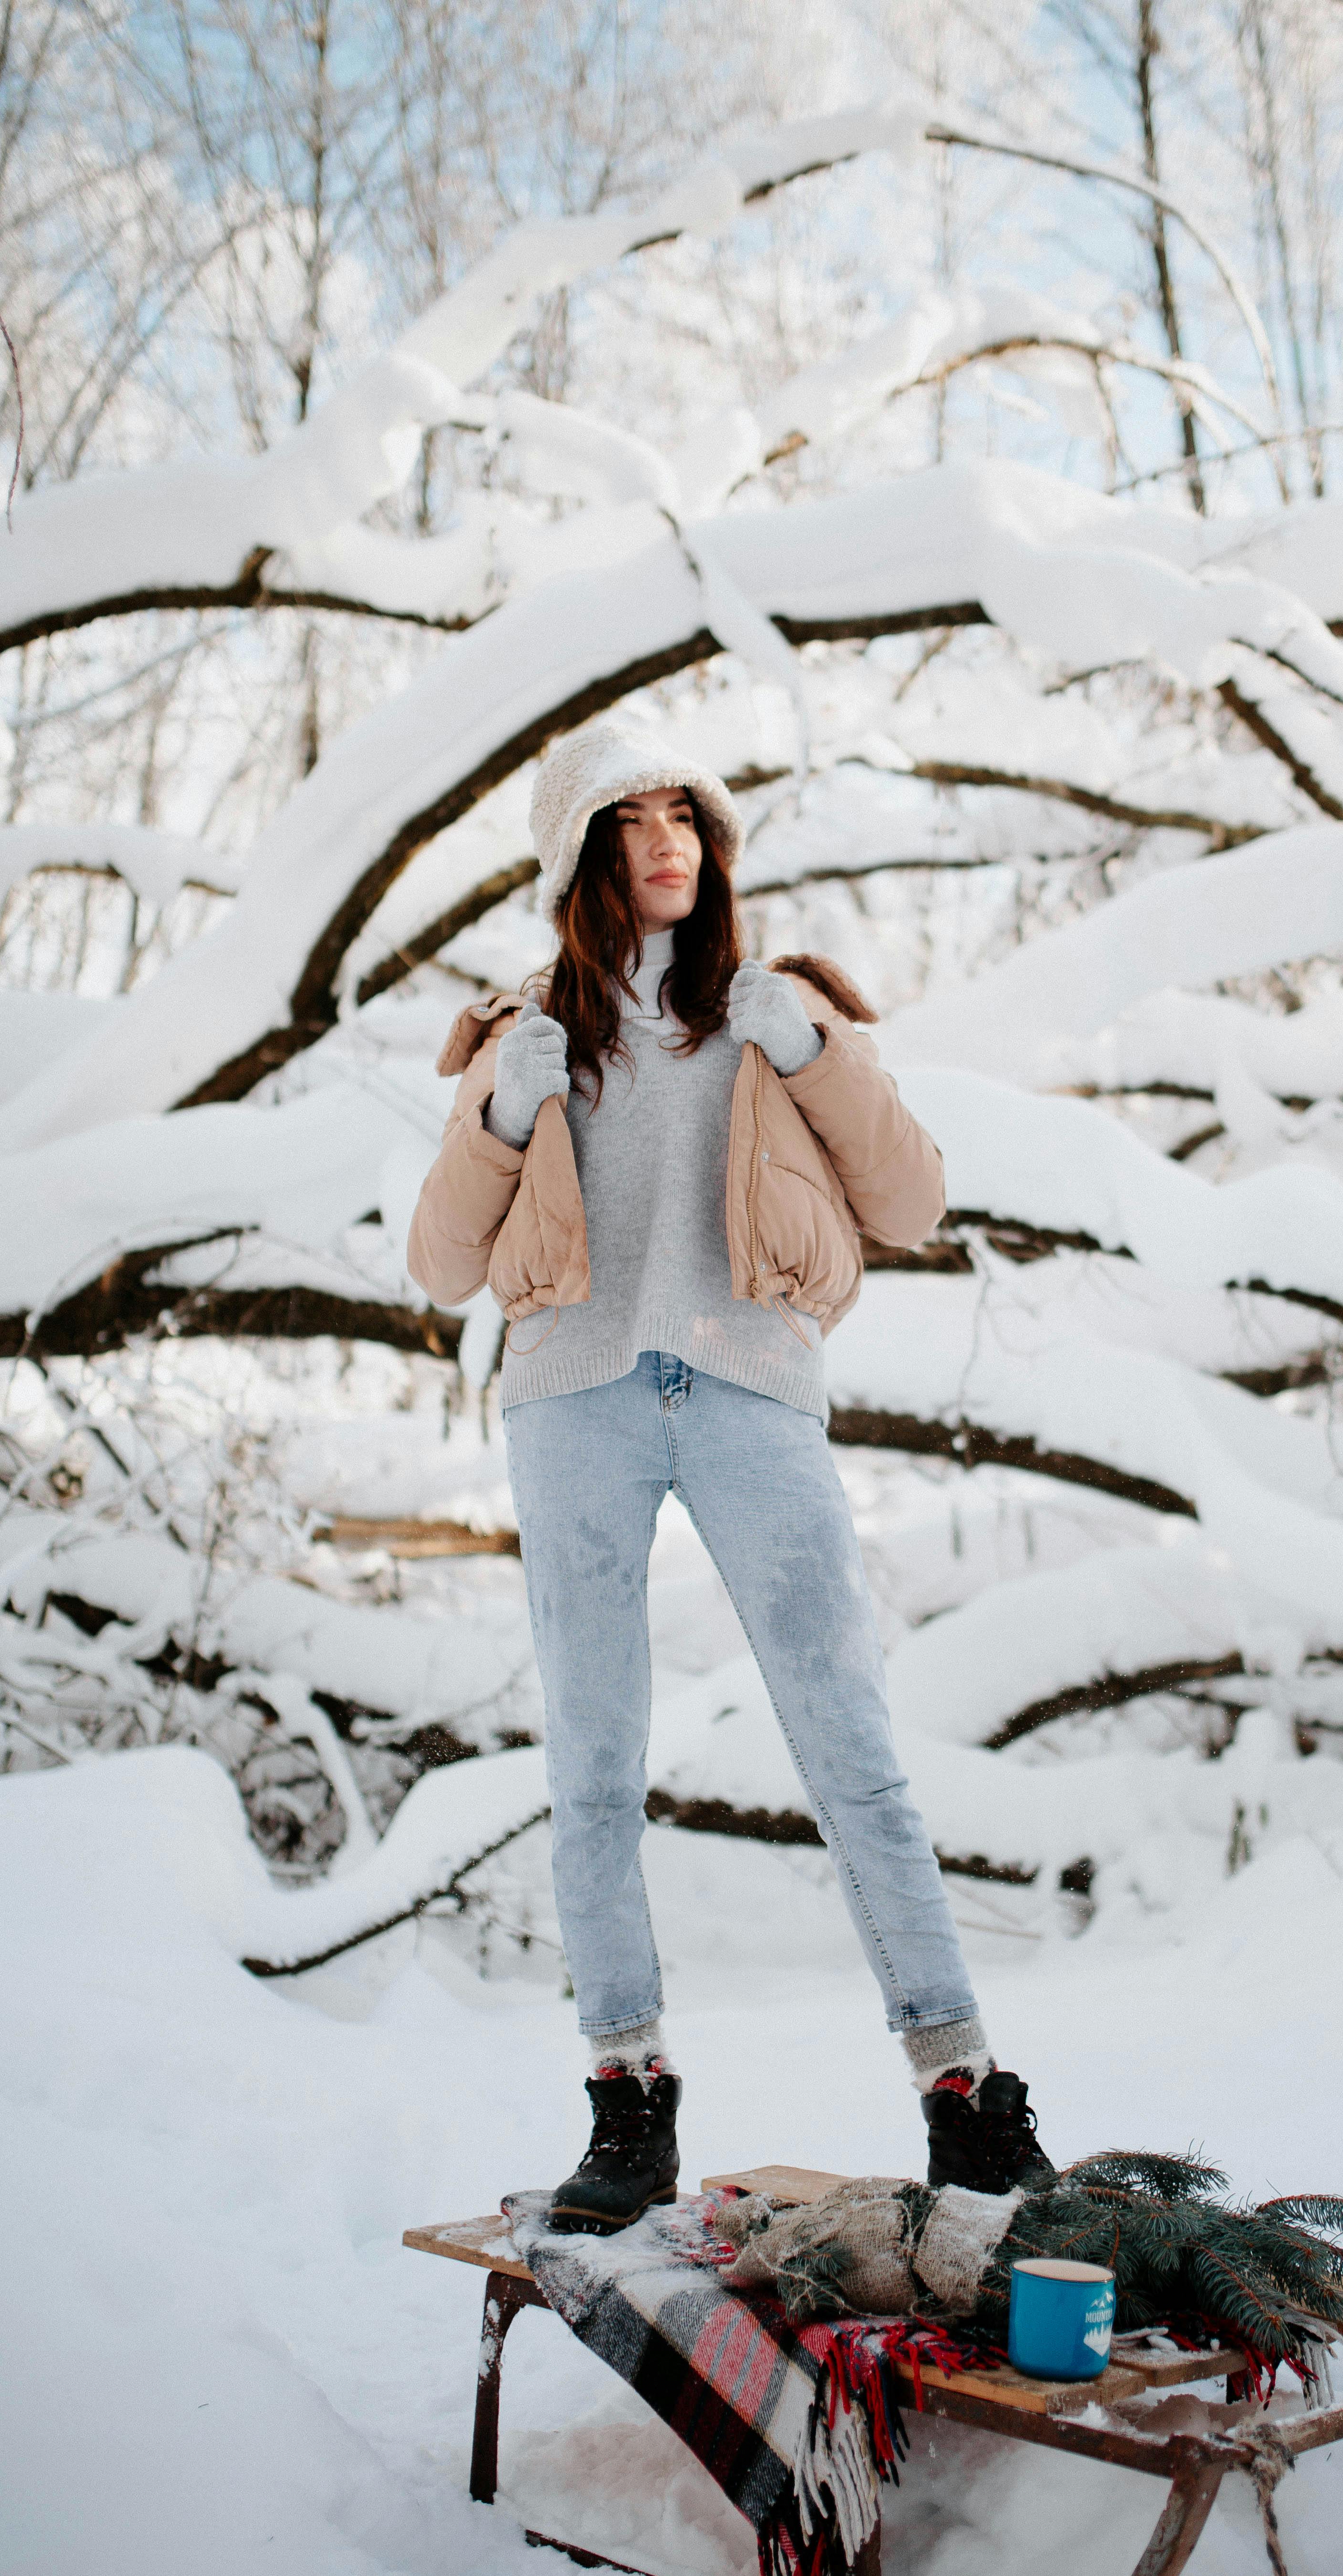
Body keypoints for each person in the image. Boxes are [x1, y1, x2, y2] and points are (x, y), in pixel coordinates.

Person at [408, 717, 1052, 2233]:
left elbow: (911, 1197)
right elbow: (443, 1265)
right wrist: (505, 1108)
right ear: (582, 853)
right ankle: (627, 2106)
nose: (665, 839)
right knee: (590, 1768)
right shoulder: (519, 1036)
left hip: (754, 1388)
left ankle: (962, 2091)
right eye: (629, 818)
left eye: (683, 811)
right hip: (574, 1399)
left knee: (852, 1745)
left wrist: (814, 1049)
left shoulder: (782, 1008)